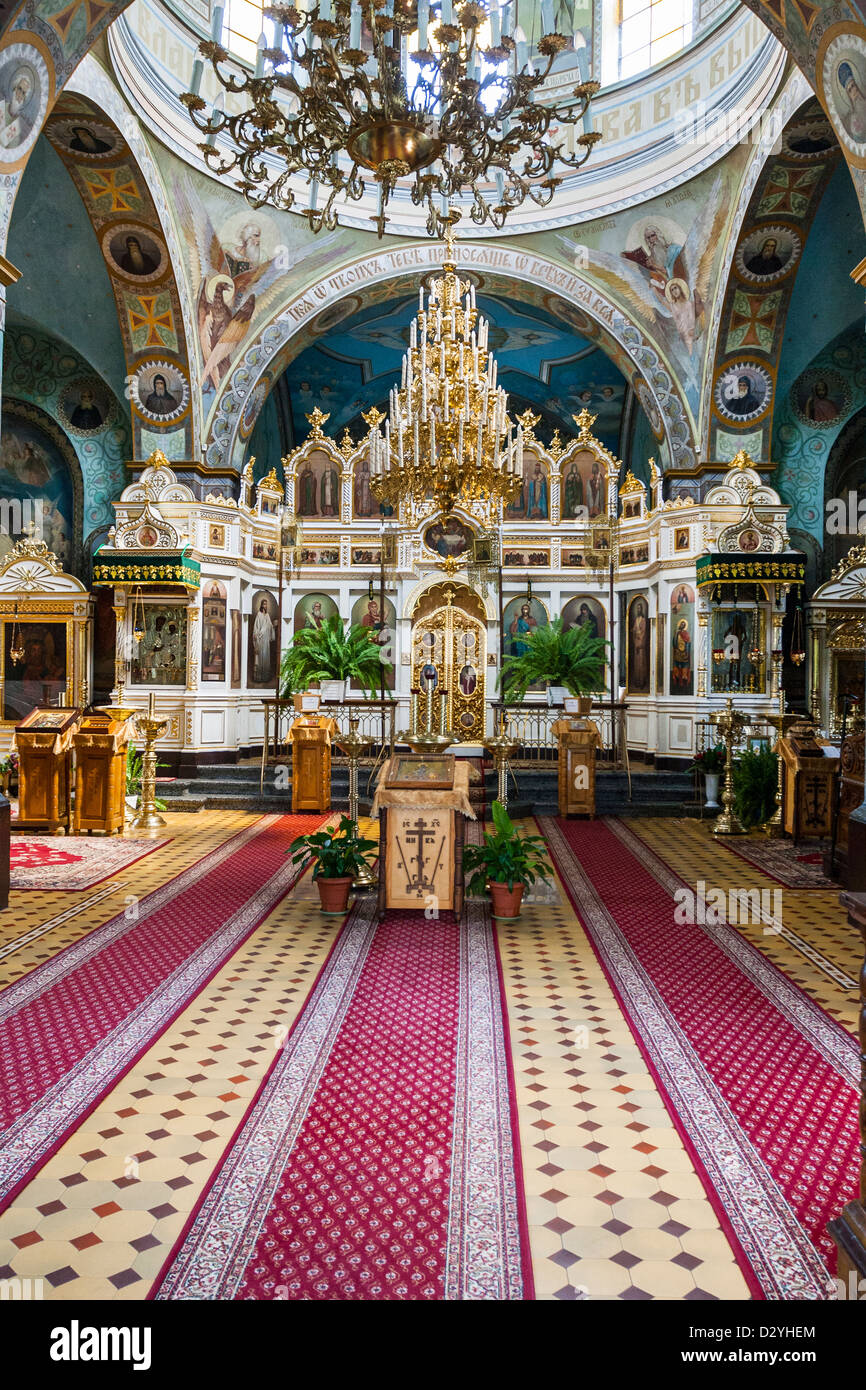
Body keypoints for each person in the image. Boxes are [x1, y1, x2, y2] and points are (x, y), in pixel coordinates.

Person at [838, 60, 866, 142]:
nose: (853, 91)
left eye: (853, 86)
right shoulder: (854, 119)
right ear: (848, 96)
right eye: (850, 90)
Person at [253, 598, 276, 683]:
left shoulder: (267, 615)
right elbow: (256, 627)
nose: (265, 606)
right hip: (260, 638)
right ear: (261, 605)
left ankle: (265, 677)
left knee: (266, 657)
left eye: (266, 604)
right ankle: (258, 677)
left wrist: (273, 626)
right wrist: (256, 635)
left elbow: (269, 626)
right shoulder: (259, 615)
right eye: (264, 604)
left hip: (266, 639)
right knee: (259, 657)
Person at [671, 617, 691, 690]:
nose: (682, 625)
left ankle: (684, 679)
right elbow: (674, 642)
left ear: (685, 626)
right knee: (677, 666)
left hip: (684, 653)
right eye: (681, 624)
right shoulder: (677, 633)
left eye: (683, 624)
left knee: (684, 666)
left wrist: (687, 652)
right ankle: (677, 679)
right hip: (678, 652)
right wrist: (675, 648)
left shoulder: (686, 634)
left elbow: (688, 643)